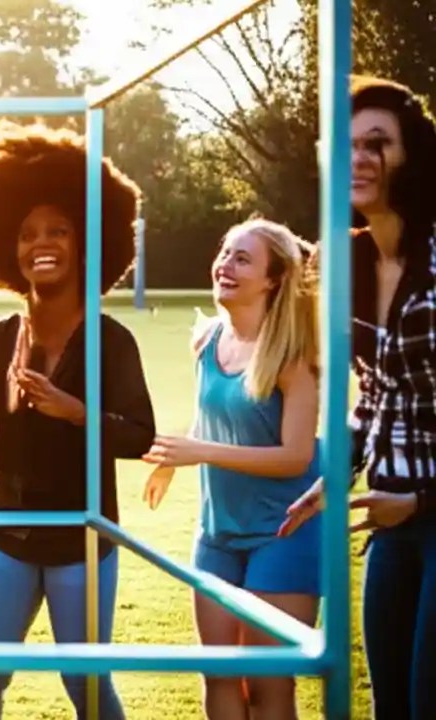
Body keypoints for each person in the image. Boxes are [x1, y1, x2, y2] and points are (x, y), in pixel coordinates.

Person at [0, 121, 154, 720]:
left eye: (58, 231)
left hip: (83, 543)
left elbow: (140, 435)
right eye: (26, 234)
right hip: (8, 541)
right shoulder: (2, 337)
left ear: (88, 242)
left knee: (86, 686)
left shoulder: (111, 341)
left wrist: (75, 413)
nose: (40, 243)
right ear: (6, 250)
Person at [283, 74, 436, 718]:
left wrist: (422, 500)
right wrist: (335, 469)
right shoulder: (347, 262)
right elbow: (375, 395)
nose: (361, 159)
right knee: (388, 705)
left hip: (423, 505)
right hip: (390, 518)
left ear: (413, 157)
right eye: (348, 146)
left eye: (379, 143)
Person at [142, 218, 321, 719]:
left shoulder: (293, 356)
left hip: (283, 534)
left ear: (273, 280)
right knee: (219, 675)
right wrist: (172, 462)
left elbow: (296, 456)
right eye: (225, 252)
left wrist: (200, 453)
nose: (225, 264)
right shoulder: (208, 340)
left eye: (243, 259)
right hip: (218, 532)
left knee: (267, 686)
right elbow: (213, 415)